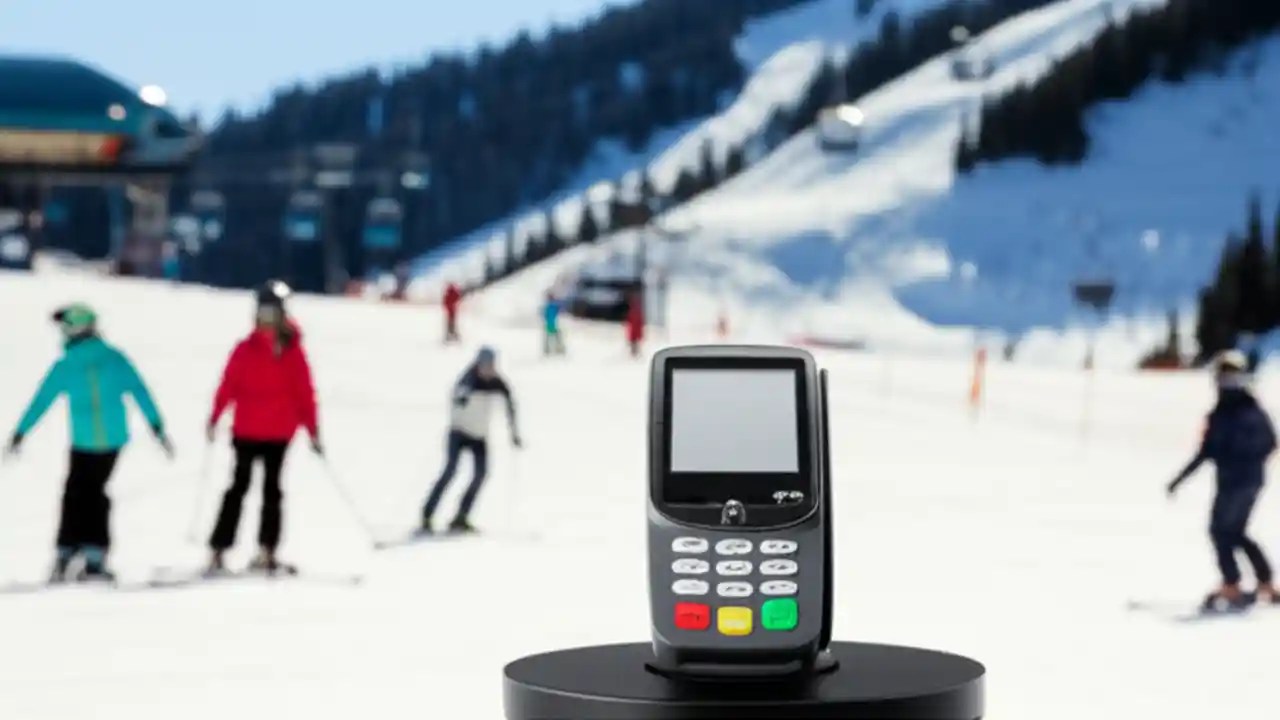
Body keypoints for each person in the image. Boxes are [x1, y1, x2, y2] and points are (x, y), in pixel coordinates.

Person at [5, 303, 171, 582]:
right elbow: (140, 391)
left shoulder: (68, 364)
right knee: (89, 492)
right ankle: (87, 553)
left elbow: (41, 400)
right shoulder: (113, 358)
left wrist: (21, 432)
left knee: (79, 493)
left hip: (86, 441)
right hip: (109, 441)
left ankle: (73, 552)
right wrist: (156, 427)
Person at [206, 280, 322, 574]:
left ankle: (267, 550)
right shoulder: (246, 349)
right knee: (238, 488)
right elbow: (228, 384)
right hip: (246, 431)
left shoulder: (293, 351)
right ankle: (219, 548)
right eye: (263, 313)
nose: (266, 321)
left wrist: (313, 428)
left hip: (279, 433)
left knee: (272, 491)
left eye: (272, 314)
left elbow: (304, 392)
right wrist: (216, 415)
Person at [1168, 350, 1278, 610]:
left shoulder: (1227, 413)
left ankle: (1232, 584)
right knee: (1236, 532)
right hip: (1252, 480)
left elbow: (1209, 450)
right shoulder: (1251, 409)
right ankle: (1265, 580)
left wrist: (1237, 461)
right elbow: (1270, 443)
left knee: (1220, 532)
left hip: (1234, 482)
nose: (1226, 384)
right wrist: (1180, 479)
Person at [421, 346, 521, 534]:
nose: (488, 370)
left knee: (481, 474)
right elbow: (456, 399)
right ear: (478, 364)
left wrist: (514, 433)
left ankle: (461, 516)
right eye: (485, 366)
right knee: (450, 472)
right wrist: (461, 398)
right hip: (458, 433)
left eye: (491, 366)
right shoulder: (468, 379)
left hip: (479, 437)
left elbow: (510, 406)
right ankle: (427, 514)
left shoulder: (497, 383)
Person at [543, 291, 565, 356]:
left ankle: (547, 349)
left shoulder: (548, 306)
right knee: (557, 336)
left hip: (549, 324)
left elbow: (545, 315)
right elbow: (559, 308)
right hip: (553, 324)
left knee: (549, 337)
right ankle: (558, 348)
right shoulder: (552, 306)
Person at [626, 290, 645, 358]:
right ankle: (635, 353)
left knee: (634, 343)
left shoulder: (635, 311)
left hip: (634, 331)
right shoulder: (635, 310)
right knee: (634, 343)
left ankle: (635, 353)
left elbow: (638, 322)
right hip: (634, 330)